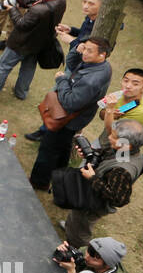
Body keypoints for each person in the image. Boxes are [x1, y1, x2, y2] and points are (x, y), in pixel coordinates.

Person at [29, 36, 113, 190]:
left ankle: (39, 181)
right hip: (75, 119)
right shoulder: (102, 65)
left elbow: (70, 102)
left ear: (102, 54)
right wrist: (76, 50)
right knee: (62, 148)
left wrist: (61, 81)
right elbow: (73, 64)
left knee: (48, 149)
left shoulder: (91, 80)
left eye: (89, 51)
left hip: (68, 120)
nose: (84, 53)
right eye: (84, 48)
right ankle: (60, 176)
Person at [60, 115, 143, 246]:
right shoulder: (125, 150)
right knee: (75, 219)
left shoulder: (122, 171)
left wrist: (92, 178)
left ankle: (75, 247)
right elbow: (108, 157)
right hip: (88, 197)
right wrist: (91, 154)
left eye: (113, 136)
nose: (109, 137)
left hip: (93, 205)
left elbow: (118, 199)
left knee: (81, 228)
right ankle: (70, 227)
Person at [0, 0, 64, 100]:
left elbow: (21, 24)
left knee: (3, 66)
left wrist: (12, 9)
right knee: (28, 69)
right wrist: (27, 1)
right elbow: (42, 3)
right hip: (39, 44)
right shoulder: (61, 0)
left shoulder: (38, 10)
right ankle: (21, 92)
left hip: (20, 43)